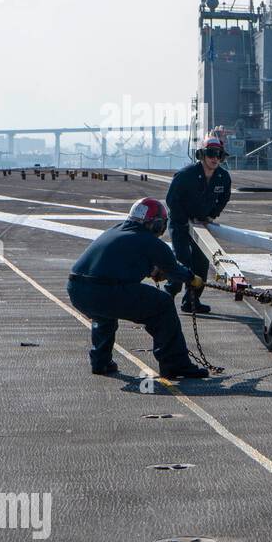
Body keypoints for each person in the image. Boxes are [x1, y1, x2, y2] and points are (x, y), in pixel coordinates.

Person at [66, 198, 209, 380]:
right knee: (163, 305)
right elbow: (175, 270)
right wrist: (193, 279)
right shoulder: (151, 242)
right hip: (107, 291)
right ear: (157, 224)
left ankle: (100, 362)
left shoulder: (115, 230)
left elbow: (119, 261)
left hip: (77, 289)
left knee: (104, 316)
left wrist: (151, 270)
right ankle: (175, 365)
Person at [165, 133, 232, 314]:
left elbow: (224, 198)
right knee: (182, 261)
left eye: (219, 154)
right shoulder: (186, 175)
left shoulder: (223, 177)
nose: (215, 158)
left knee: (201, 265)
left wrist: (212, 215)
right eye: (211, 153)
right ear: (202, 155)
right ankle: (166, 299)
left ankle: (192, 302)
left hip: (202, 224)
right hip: (180, 223)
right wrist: (184, 219)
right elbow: (171, 199)